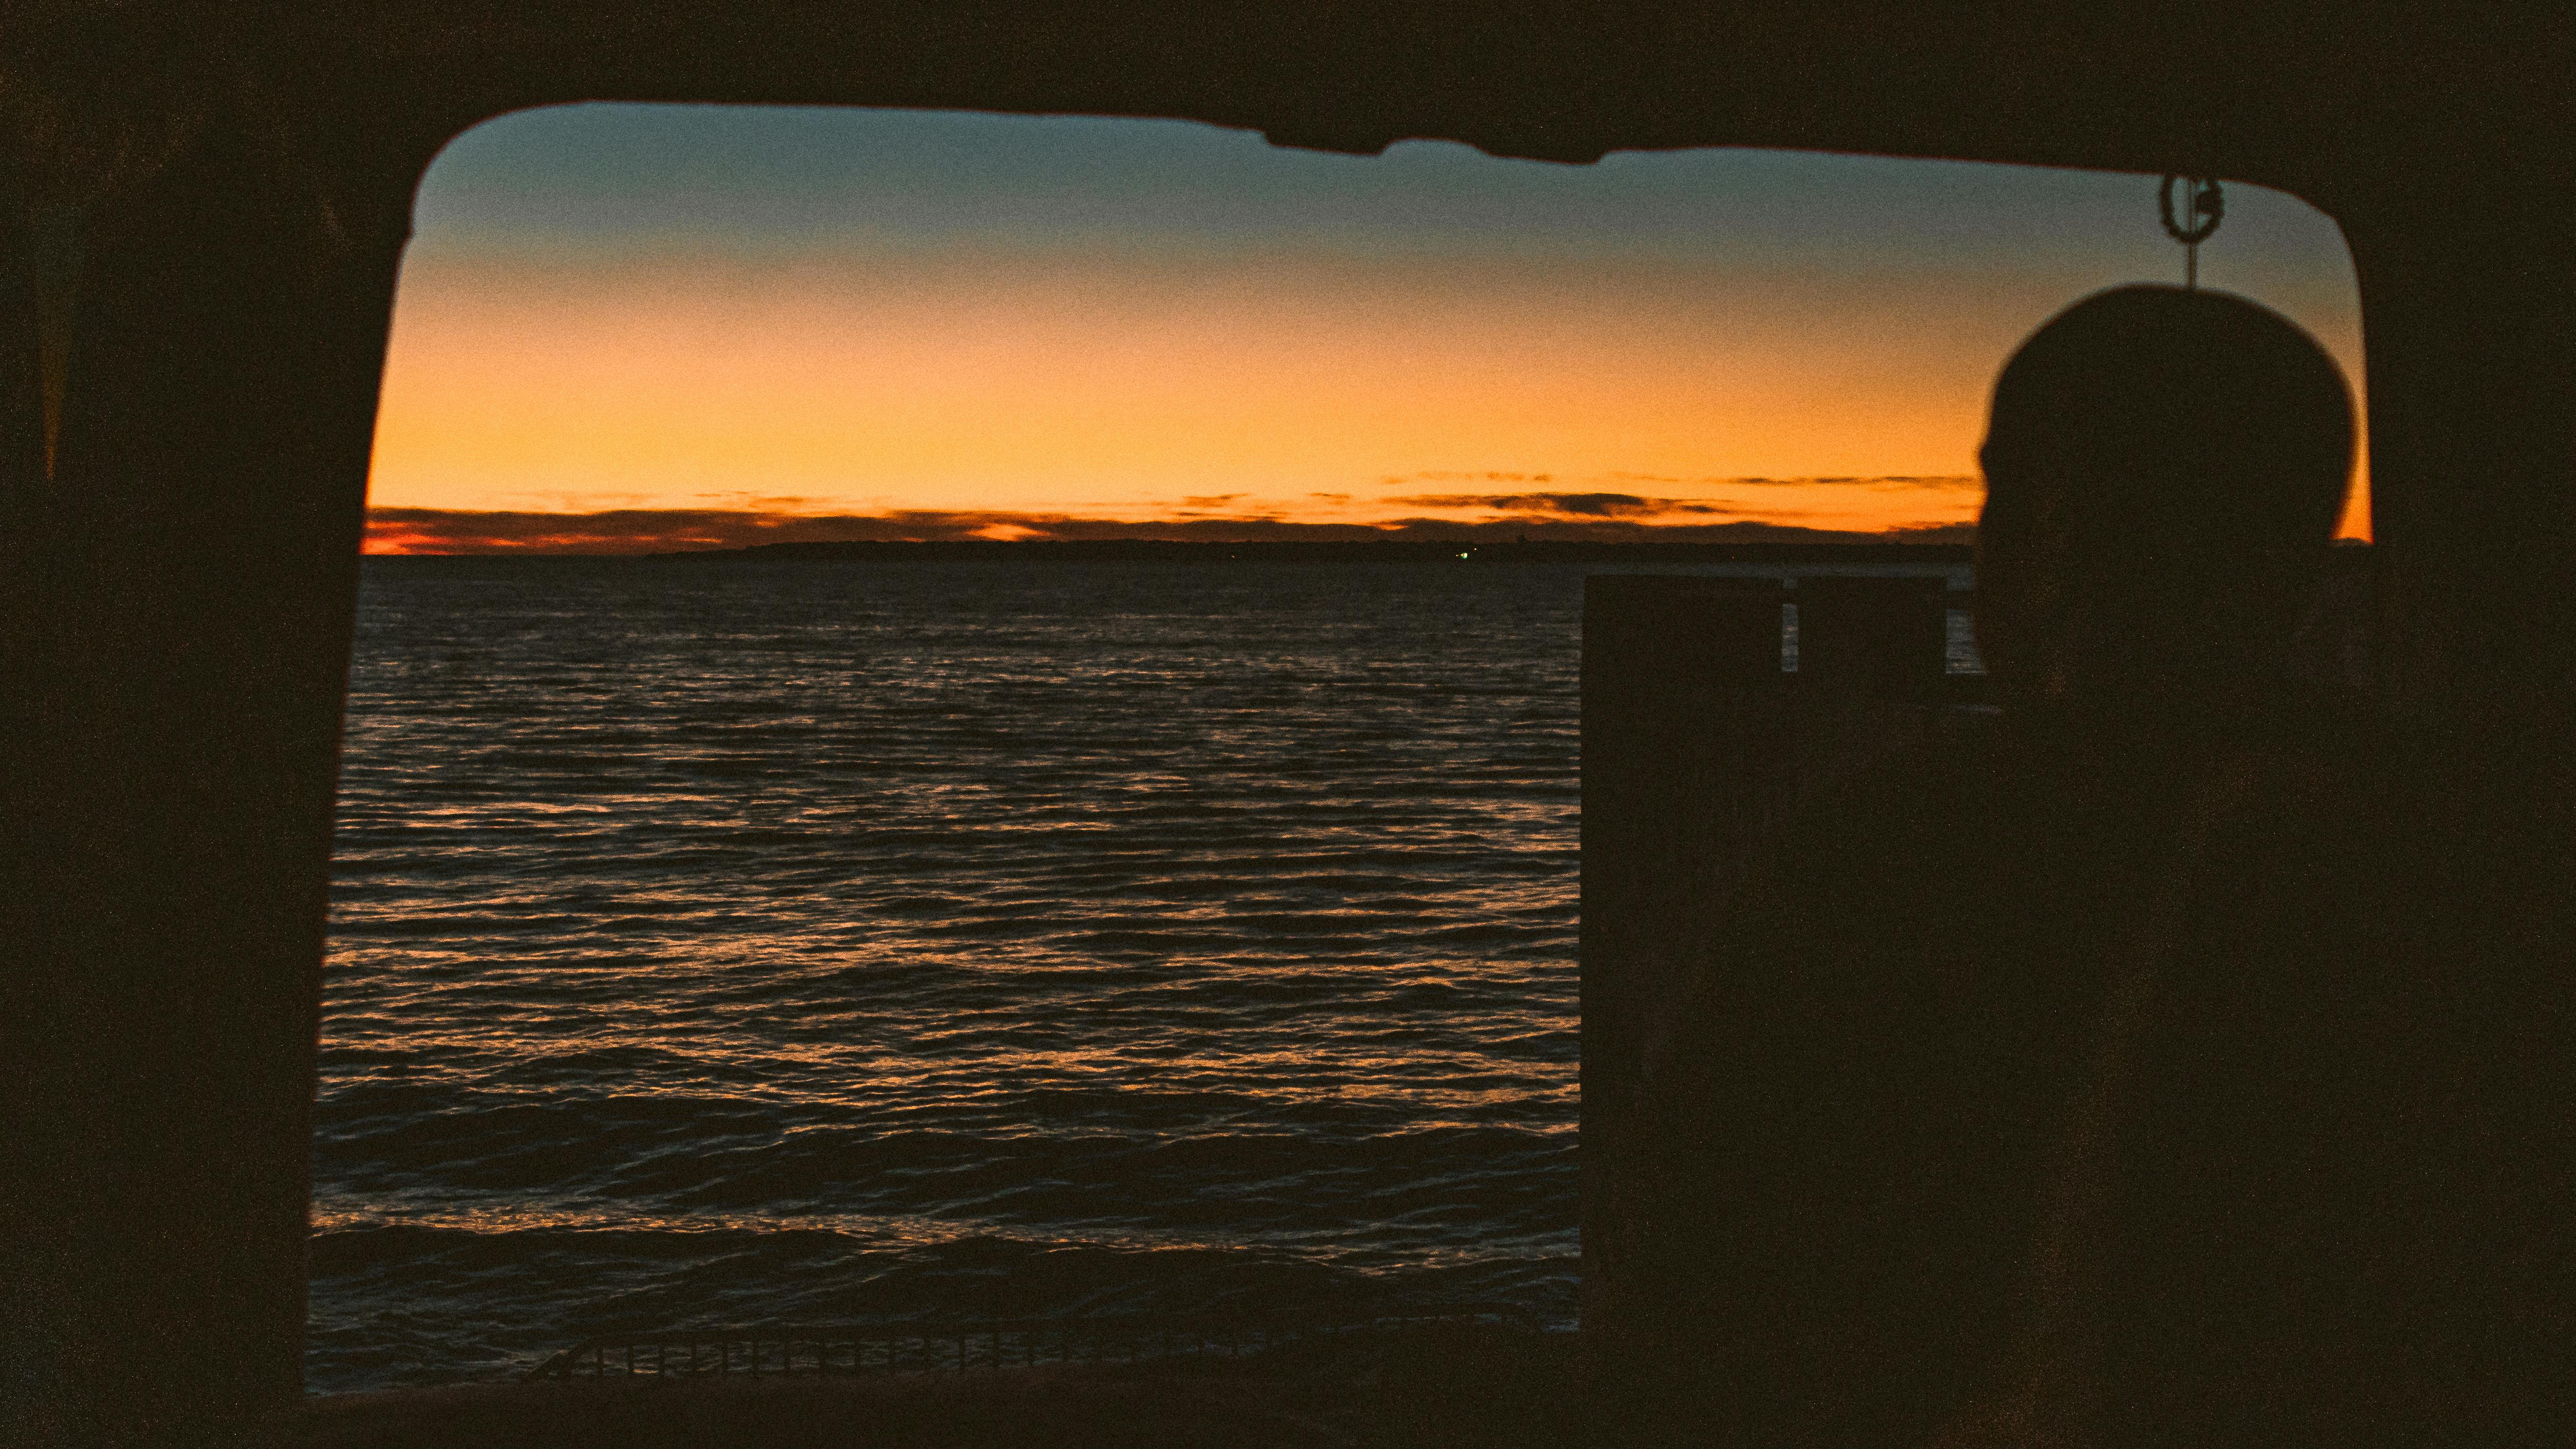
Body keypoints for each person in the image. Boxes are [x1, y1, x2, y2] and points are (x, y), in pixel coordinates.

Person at [1611, 284, 2362, 1447]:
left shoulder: (1894, 859)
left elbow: (1690, 1287)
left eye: (2002, 499)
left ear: (2046, 550)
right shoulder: (2444, 836)